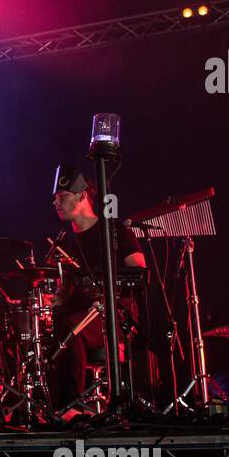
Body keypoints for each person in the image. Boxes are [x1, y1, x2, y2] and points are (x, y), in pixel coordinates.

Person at [48, 163, 146, 411]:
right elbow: (65, 292)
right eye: (55, 198)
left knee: (69, 327)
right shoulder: (64, 244)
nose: (55, 203)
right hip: (80, 316)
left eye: (62, 197)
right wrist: (53, 301)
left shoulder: (115, 232)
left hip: (116, 314)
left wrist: (106, 291)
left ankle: (72, 406)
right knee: (53, 326)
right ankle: (49, 407)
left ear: (81, 196)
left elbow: (138, 275)